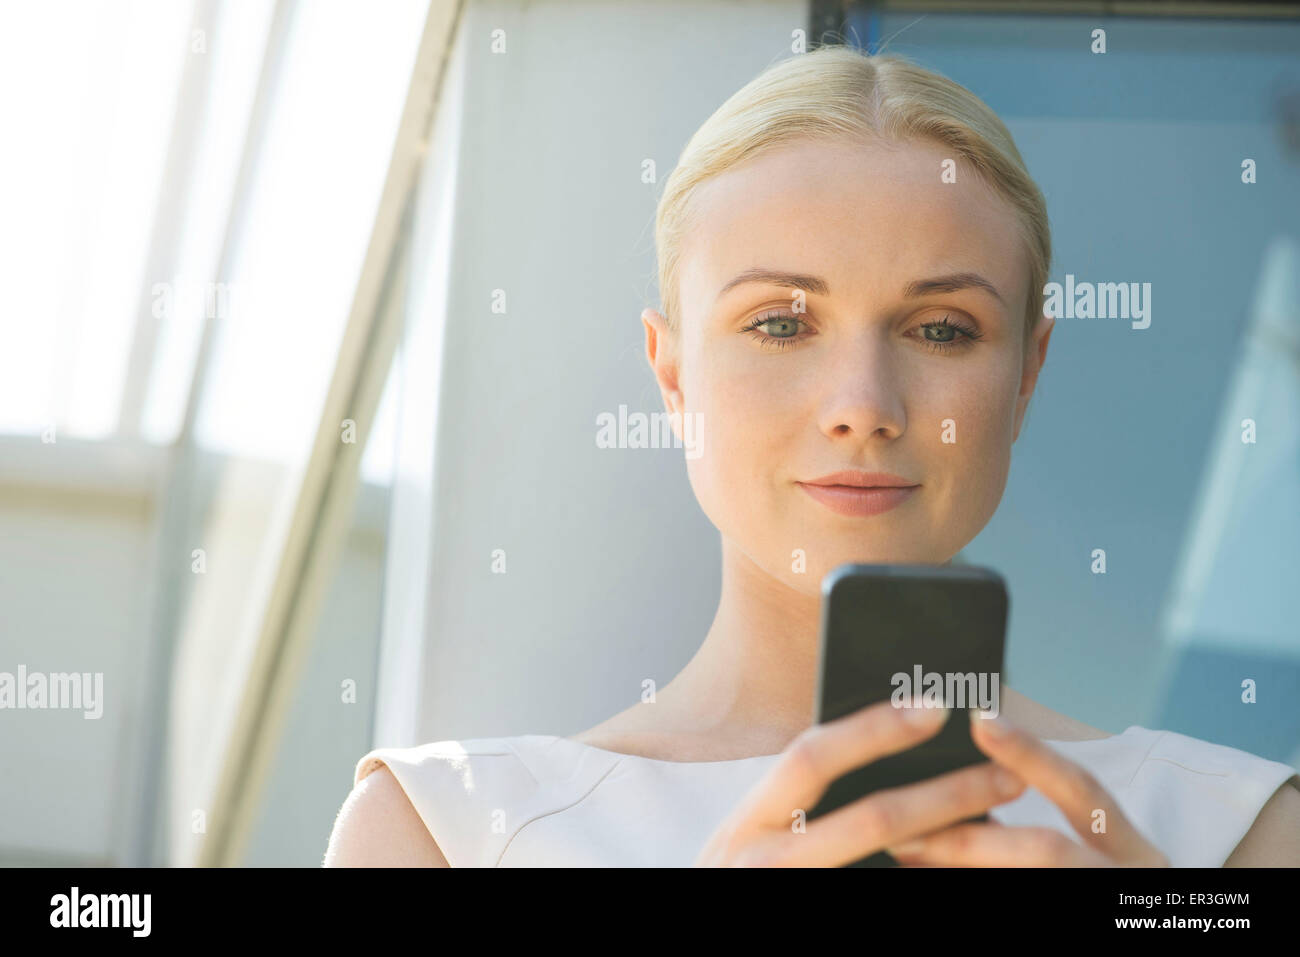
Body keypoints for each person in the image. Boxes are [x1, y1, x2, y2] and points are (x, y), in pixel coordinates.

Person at [325, 45, 1300, 867]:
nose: (863, 409)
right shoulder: (440, 834)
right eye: (782, 324)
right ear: (671, 376)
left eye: (943, 330)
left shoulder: (1235, 832)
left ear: (1027, 376)